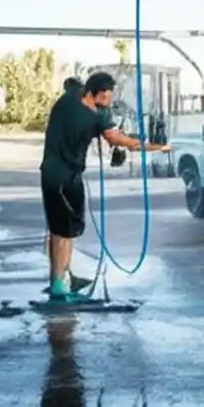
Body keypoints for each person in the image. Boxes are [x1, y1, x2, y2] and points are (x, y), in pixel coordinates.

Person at [40, 71, 168, 301]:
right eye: (105, 98)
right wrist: (157, 147)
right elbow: (120, 140)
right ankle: (58, 285)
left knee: (67, 229)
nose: (108, 103)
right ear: (92, 93)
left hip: (64, 174)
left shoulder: (73, 100)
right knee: (61, 231)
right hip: (59, 176)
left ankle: (64, 276)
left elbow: (71, 83)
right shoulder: (90, 114)